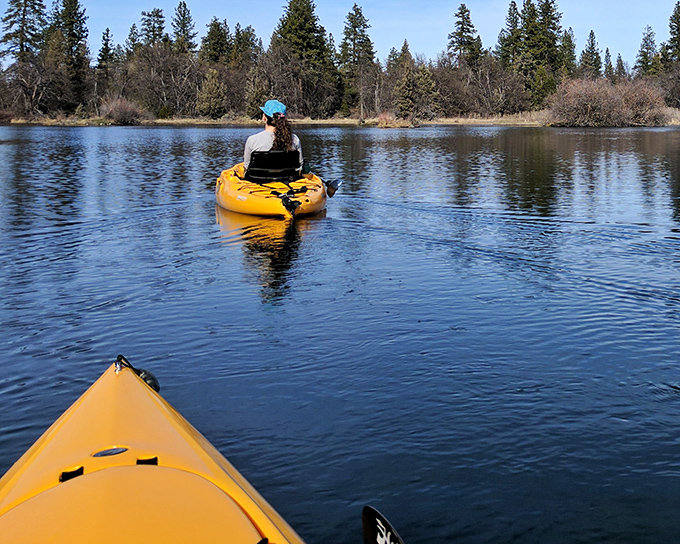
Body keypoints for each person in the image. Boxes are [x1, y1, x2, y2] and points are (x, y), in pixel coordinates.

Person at [243, 100, 303, 169]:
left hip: (259, 179)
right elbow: (300, 164)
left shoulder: (252, 140)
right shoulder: (294, 139)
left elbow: (247, 166)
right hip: (287, 179)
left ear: (264, 118)